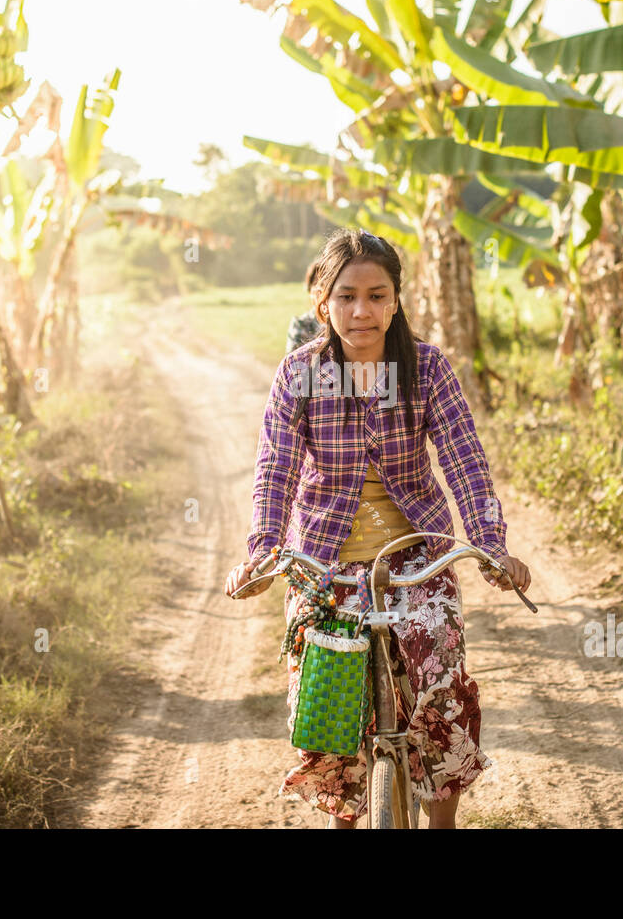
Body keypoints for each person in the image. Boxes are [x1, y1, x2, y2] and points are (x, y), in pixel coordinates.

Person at [224, 228, 531, 829]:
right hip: (325, 565)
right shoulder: (299, 375)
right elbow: (275, 472)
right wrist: (262, 553)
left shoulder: (428, 367)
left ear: (395, 301)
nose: (361, 310)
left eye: (376, 295)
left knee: (439, 693)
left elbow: (466, 460)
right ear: (323, 302)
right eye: (345, 296)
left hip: (419, 559)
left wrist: (490, 546)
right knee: (331, 718)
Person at [285, 259, 324, 353]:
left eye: (324, 283)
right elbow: (293, 363)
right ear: (309, 290)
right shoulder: (301, 325)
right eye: (316, 284)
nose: (321, 290)